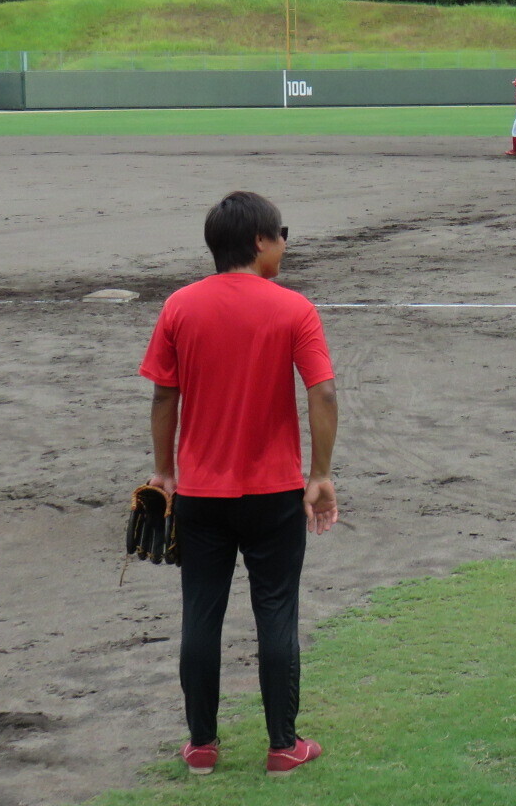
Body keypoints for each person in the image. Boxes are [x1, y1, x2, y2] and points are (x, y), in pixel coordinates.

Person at [139, 191, 340, 777]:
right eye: (281, 234)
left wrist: (163, 471)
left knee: (201, 615)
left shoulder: (179, 306)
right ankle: (283, 747)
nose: (285, 245)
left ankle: (202, 746)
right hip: (273, 493)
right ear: (259, 241)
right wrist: (320, 475)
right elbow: (324, 392)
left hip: (200, 494)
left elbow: (164, 395)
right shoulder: (294, 308)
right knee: (276, 612)